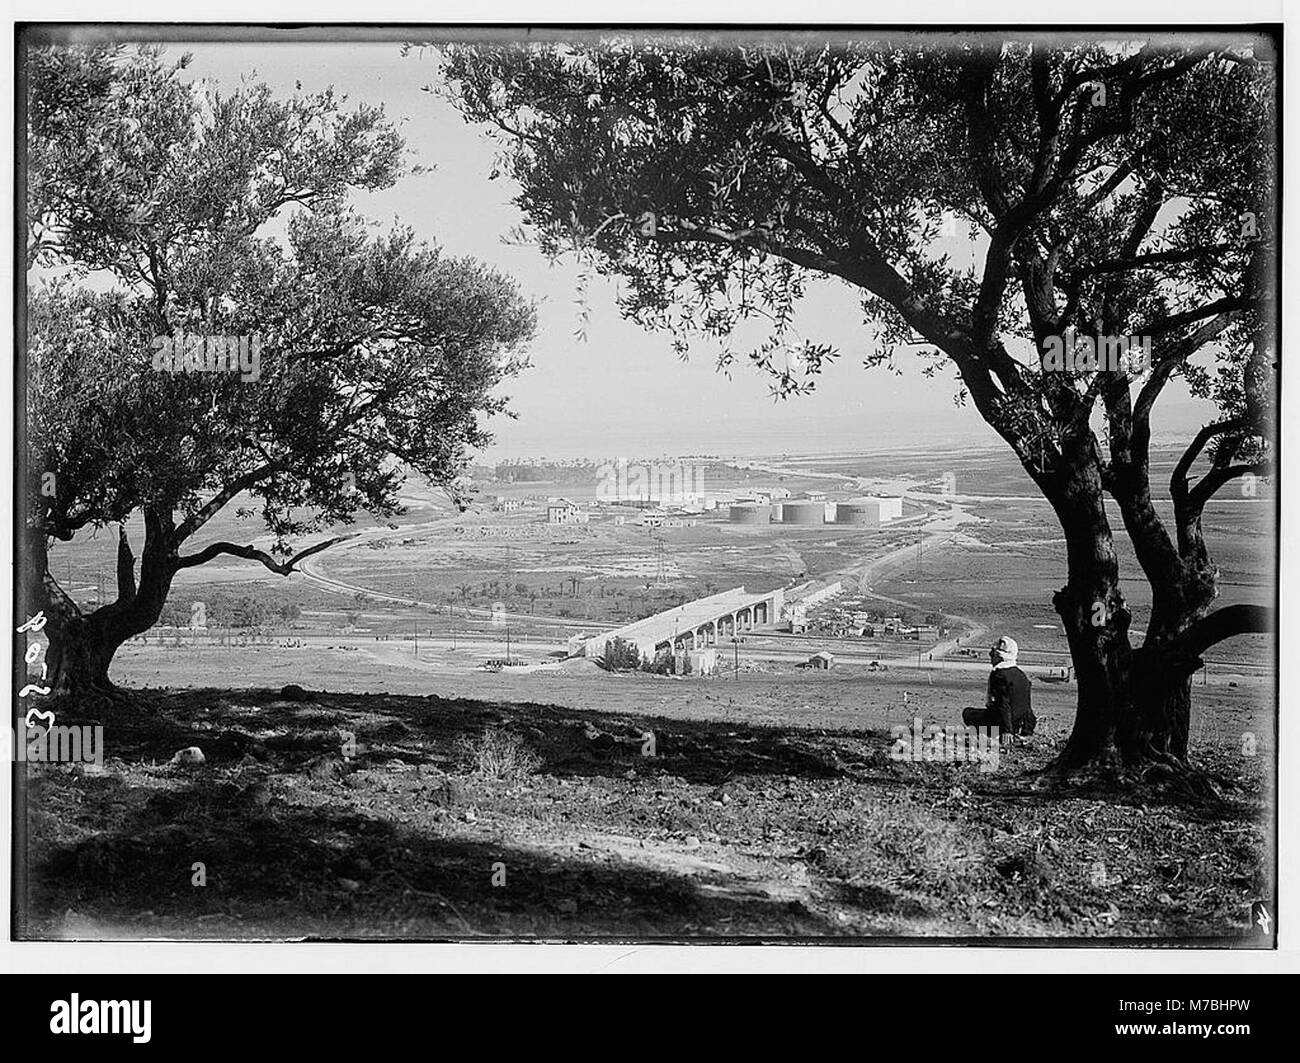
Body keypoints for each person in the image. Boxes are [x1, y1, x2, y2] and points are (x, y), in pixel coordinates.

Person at [962, 636, 1035, 741]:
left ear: (1000, 655)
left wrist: (1007, 731)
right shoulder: (1021, 675)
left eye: (992, 652)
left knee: (968, 713)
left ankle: (991, 735)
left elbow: (1003, 704)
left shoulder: (999, 675)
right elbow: (1027, 706)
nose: (990, 655)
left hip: (1001, 724)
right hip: (1018, 723)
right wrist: (1028, 730)